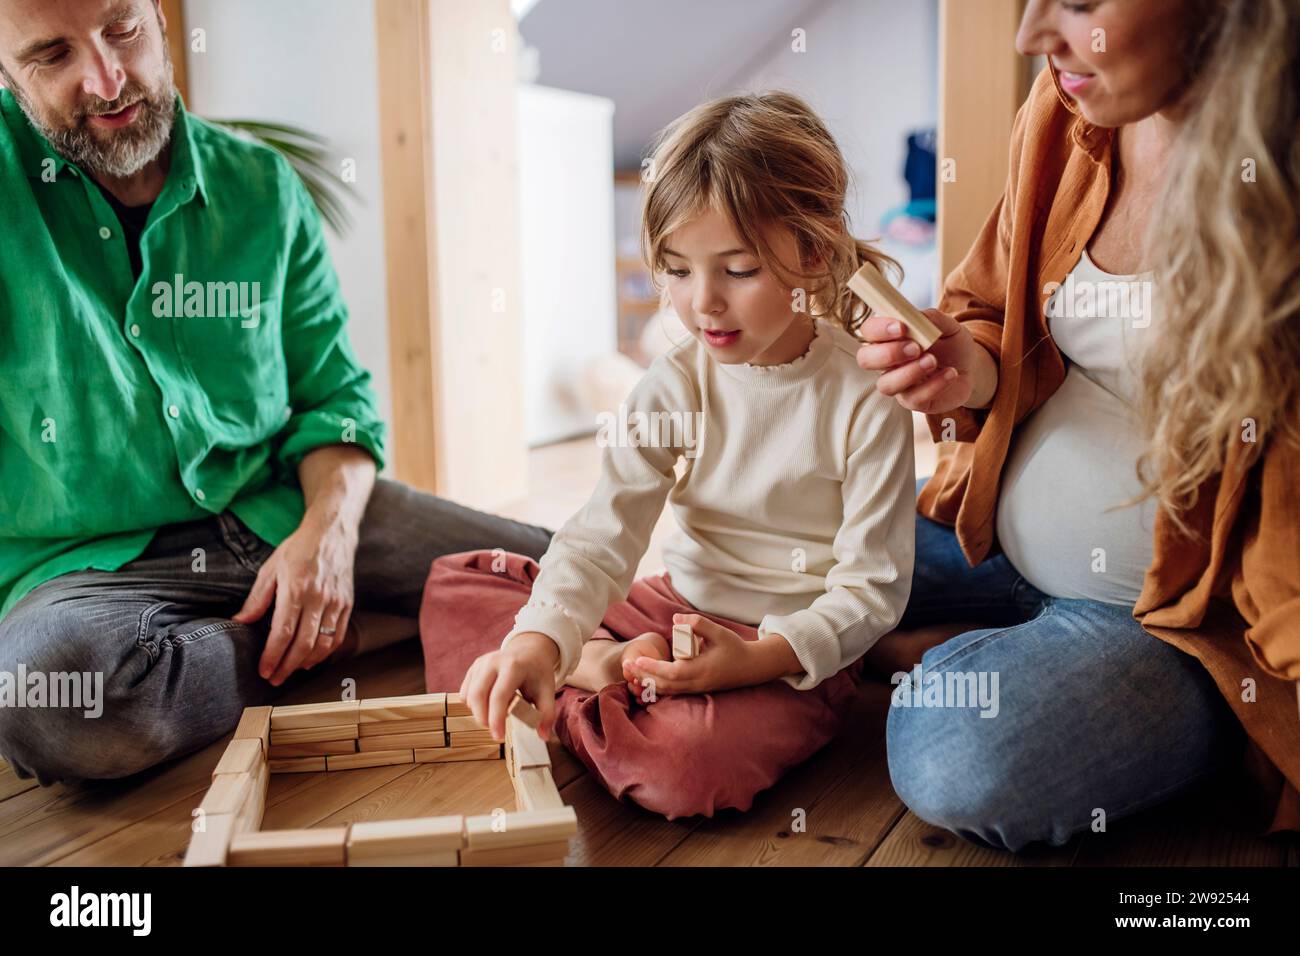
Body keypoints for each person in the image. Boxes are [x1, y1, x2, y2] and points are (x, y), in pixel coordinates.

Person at [0, 0, 552, 784]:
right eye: (51, 56)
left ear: (160, 18)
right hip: (87, 574)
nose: (106, 78)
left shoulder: (261, 185)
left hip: (285, 504)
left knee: (560, 575)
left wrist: (326, 539)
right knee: (53, 700)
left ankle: (284, 630)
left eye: (121, 28)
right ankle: (358, 633)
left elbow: (337, 401)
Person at [859, 0, 1300, 850]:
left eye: (1079, 4)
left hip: (1181, 631)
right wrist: (968, 364)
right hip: (996, 523)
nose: (1031, 36)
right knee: (775, 545)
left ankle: (1169, 715)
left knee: (956, 751)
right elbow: (987, 306)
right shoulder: (1069, 105)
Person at [423, 91, 917, 818]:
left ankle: (585, 686)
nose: (702, 303)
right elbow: (601, 534)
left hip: (777, 654)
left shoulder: (866, 395)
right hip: (664, 610)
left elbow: (872, 590)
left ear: (812, 252)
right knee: (457, 586)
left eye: (738, 270)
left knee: (684, 768)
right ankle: (596, 669)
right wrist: (538, 643)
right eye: (678, 271)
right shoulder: (675, 380)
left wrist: (759, 658)